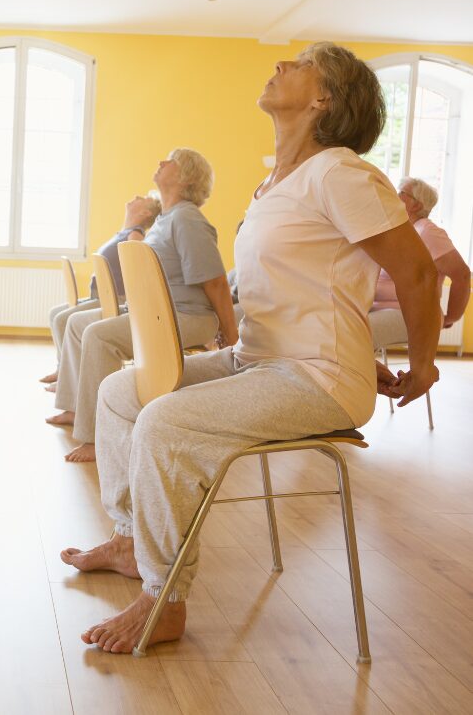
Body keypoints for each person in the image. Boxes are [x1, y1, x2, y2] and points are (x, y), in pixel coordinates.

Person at [61, 42, 441, 654]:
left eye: (301, 63)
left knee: (165, 419)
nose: (283, 65)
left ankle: (166, 596)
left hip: (315, 379)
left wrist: (421, 365)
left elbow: (420, 274)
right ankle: (133, 539)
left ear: (324, 97)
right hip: (262, 362)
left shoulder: (341, 172)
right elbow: (304, 286)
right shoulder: (275, 184)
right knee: (119, 391)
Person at [48, 149, 237, 462]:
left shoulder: (188, 218)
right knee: (80, 324)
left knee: (99, 336)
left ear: (186, 176)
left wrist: (230, 336)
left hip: (187, 315)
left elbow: (215, 282)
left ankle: (97, 438)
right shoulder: (167, 218)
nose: (161, 162)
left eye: (170, 160)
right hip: (161, 313)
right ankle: (74, 407)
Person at [40, 194, 162, 385]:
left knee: (63, 319)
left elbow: (139, 270)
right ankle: (63, 372)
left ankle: (69, 380)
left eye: (142, 198)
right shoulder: (124, 232)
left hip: (116, 299)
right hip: (101, 296)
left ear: (145, 212)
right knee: (56, 314)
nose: (136, 196)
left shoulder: (135, 234)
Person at [369, 177, 470, 346]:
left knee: (351, 333)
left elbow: (462, 275)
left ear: (416, 205)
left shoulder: (428, 231)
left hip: (408, 313)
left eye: (401, 192)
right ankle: (376, 372)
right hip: (380, 308)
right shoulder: (404, 231)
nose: (394, 194)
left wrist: (451, 317)